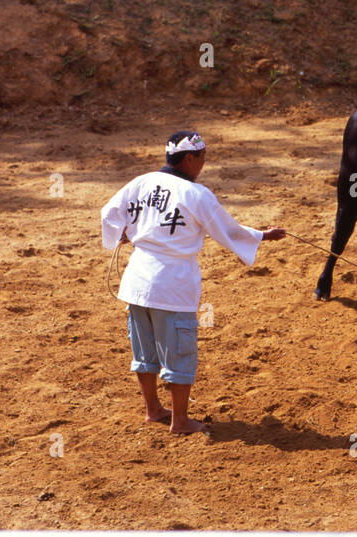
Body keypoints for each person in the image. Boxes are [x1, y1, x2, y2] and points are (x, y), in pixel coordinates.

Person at [100, 130, 286, 435]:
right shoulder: (196, 194)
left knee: (144, 353)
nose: (202, 164)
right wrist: (263, 235)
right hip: (171, 284)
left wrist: (124, 233)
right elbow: (226, 229)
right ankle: (180, 420)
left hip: (136, 281)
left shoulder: (141, 182)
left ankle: (153, 410)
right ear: (189, 158)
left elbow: (109, 213)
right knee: (179, 353)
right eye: (201, 158)